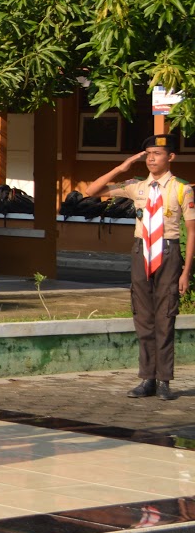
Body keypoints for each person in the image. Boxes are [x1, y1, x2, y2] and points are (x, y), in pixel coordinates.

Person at [81, 136, 195, 399]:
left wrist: (186, 272)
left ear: (171, 157)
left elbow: (191, 231)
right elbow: (92, 191)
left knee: (165, 316)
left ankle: (164, 380)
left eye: (157, 153)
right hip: (141, 251)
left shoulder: (181, 189)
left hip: (168, 251)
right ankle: (148, 379)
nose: (151, 158)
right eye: (148, 154)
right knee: (143, 317)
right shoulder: (136, 187)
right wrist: (122, 167)